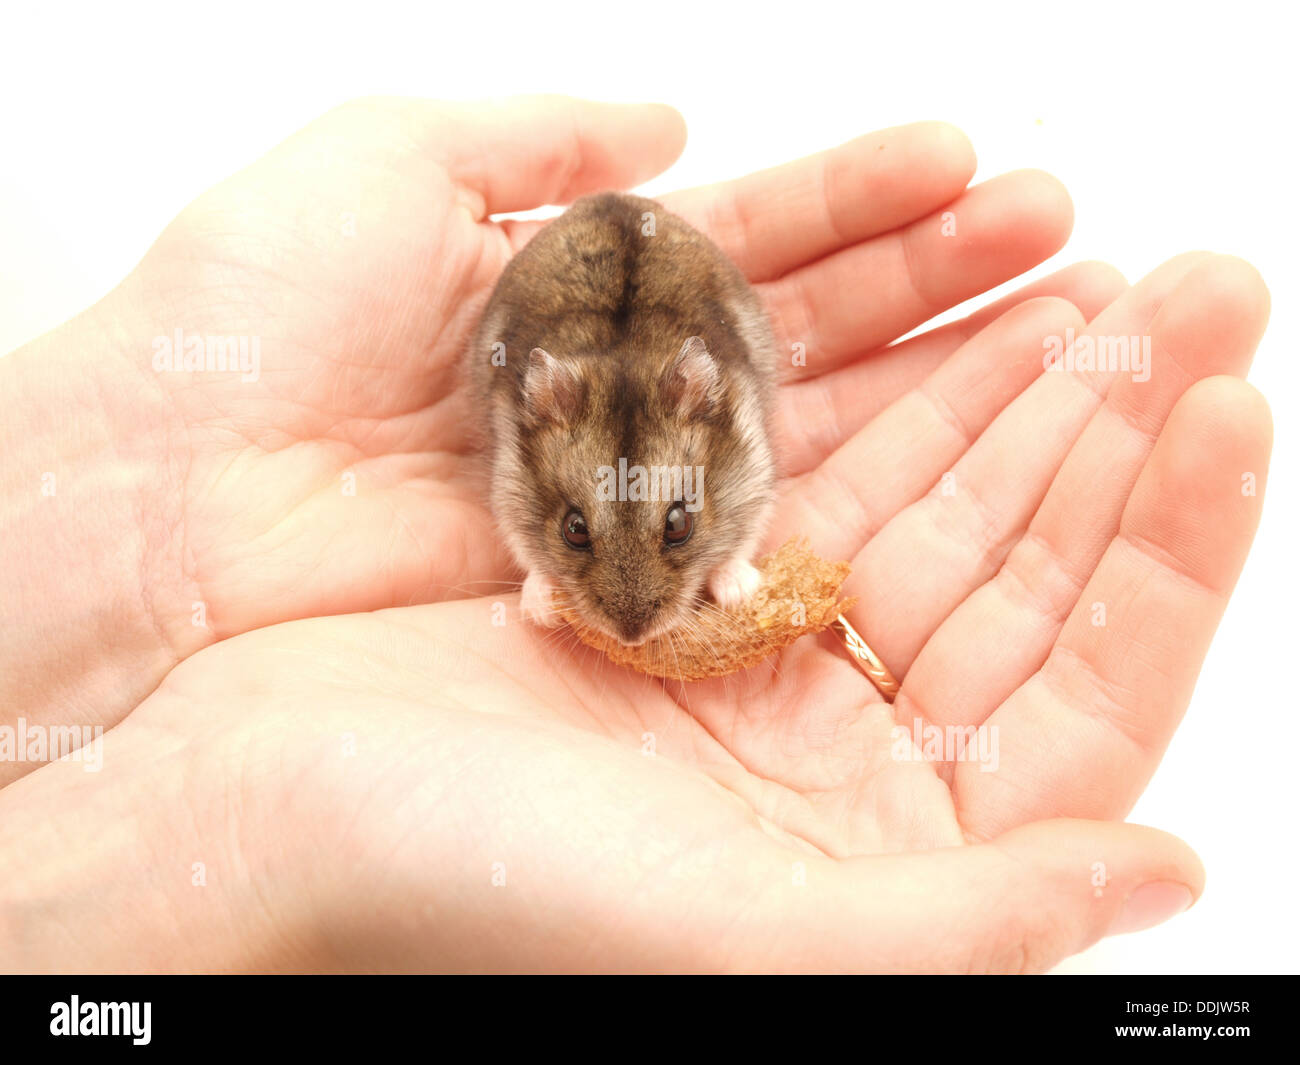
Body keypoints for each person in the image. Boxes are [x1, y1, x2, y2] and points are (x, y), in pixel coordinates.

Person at [0, 96, 1271, 972]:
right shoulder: (535, 414)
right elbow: (520, 499)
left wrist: (722, 561)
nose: (627, 602)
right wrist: (546, 569)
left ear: (707, 440)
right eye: (571, 533)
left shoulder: (716, 414)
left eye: (673, 534)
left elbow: (742, 483)